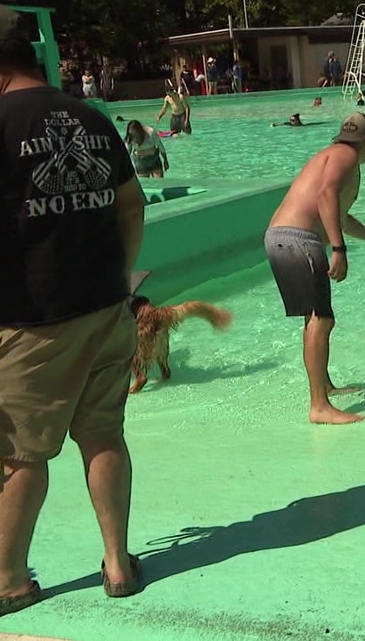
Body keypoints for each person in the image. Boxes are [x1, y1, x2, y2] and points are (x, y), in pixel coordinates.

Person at [0, 8, 146, 616]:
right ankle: (117, 563)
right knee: (103, 433)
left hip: (33, 317)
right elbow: (130, 204)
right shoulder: (90, 117)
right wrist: (118, 278)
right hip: (106, 308)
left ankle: (8, 580)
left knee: (22, 454)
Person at [263, 113, 365, 425]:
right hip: (299, 240)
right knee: (321, 320)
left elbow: (337, 214)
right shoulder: (347, 157)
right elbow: (326, 196)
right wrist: (339, 249)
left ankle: (323, 387)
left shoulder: (333, 155)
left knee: (313, 318)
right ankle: (319, 406)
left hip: (279, 238)